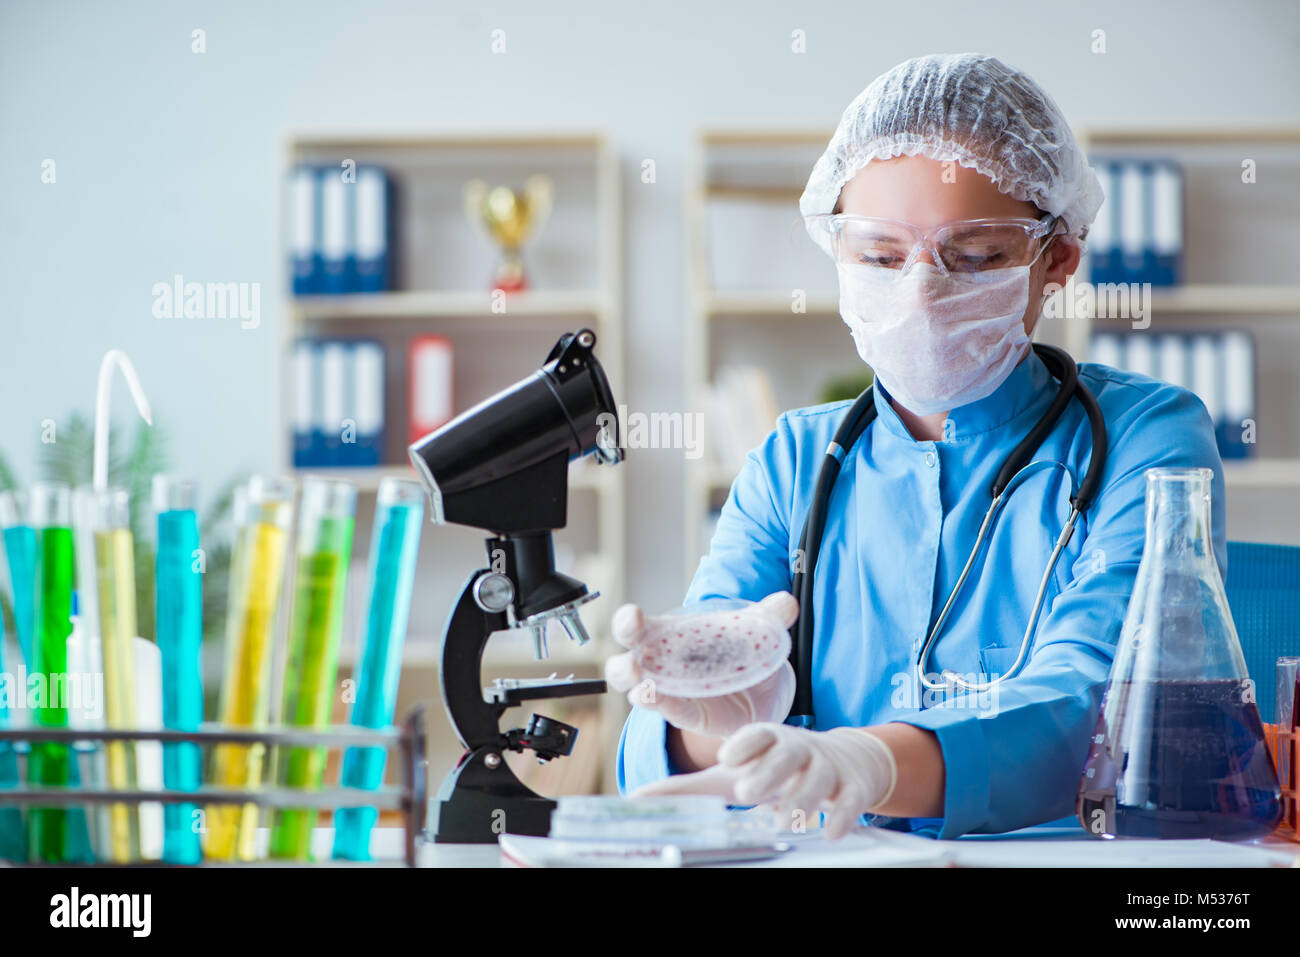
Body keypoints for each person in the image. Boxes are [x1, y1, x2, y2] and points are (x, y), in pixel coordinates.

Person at [605, 52, 1227, 840]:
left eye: (976, 256)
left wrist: (874, 762)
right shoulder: (794, 464)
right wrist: (710, 726)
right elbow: (674, 729)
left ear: (1058, 258)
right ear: (838, 254)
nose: (922, 291)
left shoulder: (1149, 438)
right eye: (881, 256)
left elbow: (1105, 703)